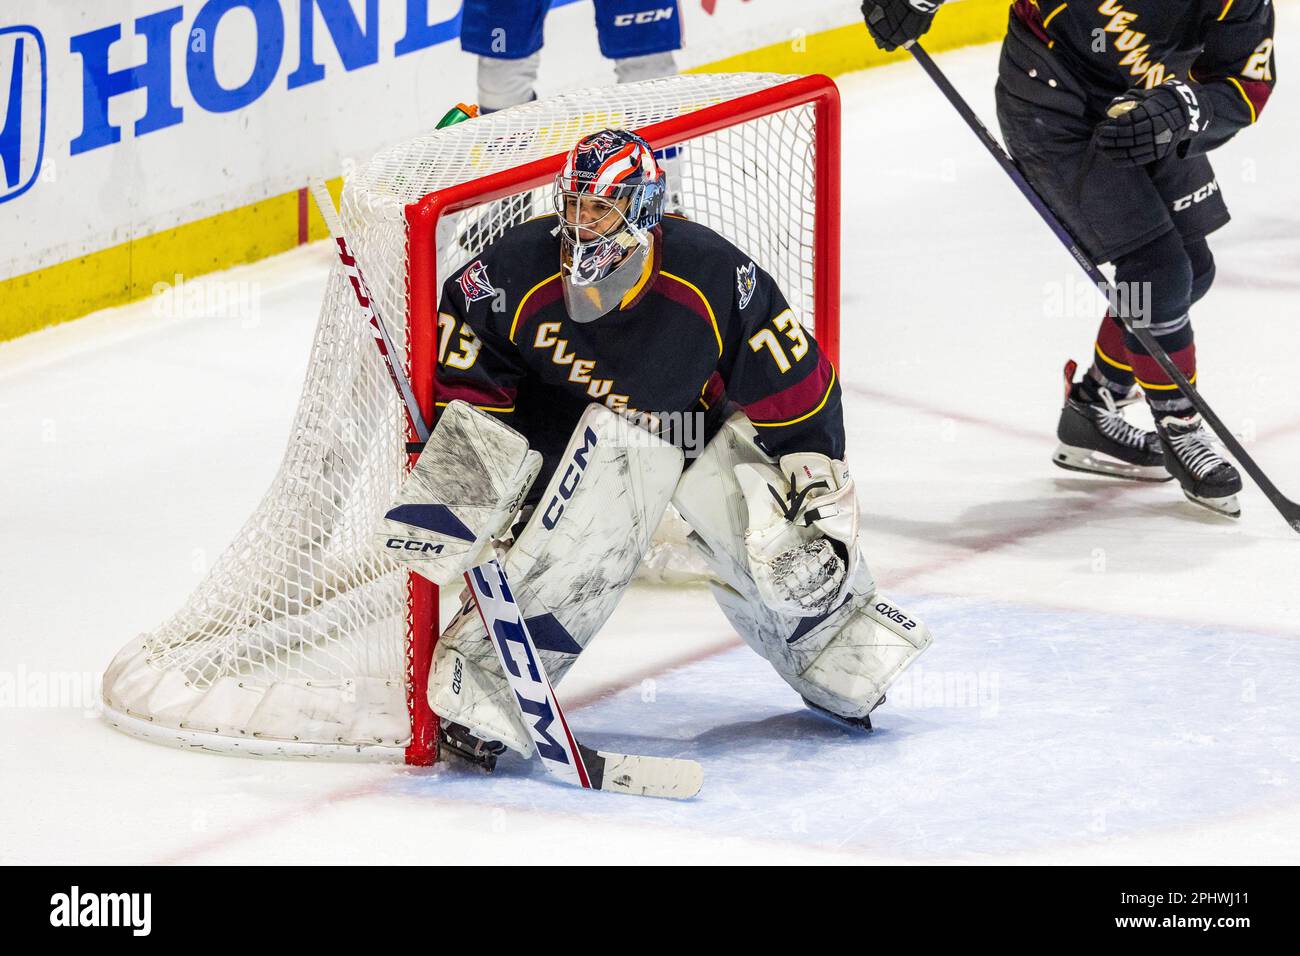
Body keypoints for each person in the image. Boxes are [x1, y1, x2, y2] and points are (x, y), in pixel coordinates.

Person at [379, 129, 931, 768]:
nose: (582, 223)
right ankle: (483, 692)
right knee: (584, 545)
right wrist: (490, 479)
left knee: (783, 541)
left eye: (600, 207)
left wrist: (812, 475)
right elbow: (470, 374)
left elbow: (793, 380)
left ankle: (840, 658)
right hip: (571, 443)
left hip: (690, 428)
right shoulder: (512, 271)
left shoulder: (712, 273)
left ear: (641, 208)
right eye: (575, 204)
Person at [862, 0, 1277, 518]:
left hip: (1150, 99)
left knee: (1193, 270)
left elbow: (1245, 85)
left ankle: (1094, 405)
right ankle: (1181, 426)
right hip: (1055, 104)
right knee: (1159, 271)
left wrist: (1180, 111)